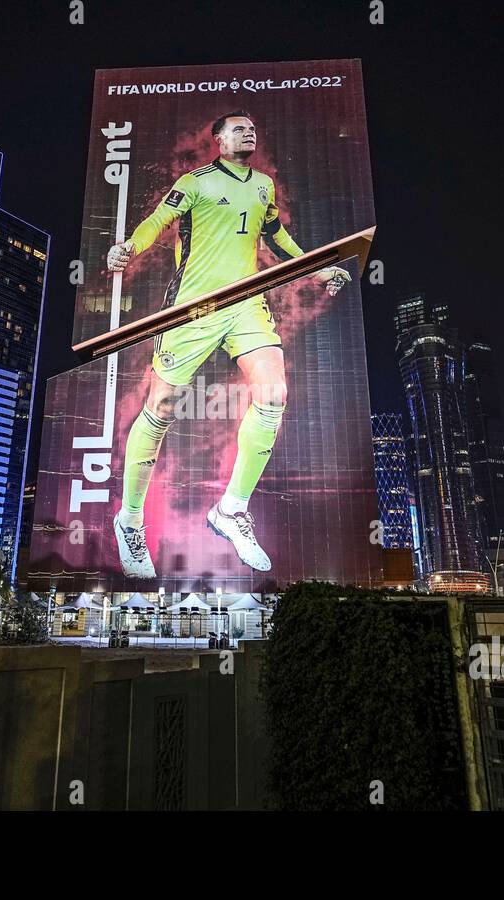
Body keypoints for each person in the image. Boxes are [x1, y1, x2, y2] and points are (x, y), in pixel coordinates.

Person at [107, 111, 350, 578]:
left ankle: (231, 509)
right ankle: (130, 518)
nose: (248, 132)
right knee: (160, 408)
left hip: (246, 304)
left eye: (252, 127)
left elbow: (277, 238)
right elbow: (159, 219)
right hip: (193, 307)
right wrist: (129, 248)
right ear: (218, 140)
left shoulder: (263, 185)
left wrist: (319, 268)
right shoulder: (194, 182)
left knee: (274, 394)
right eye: (237, 128)